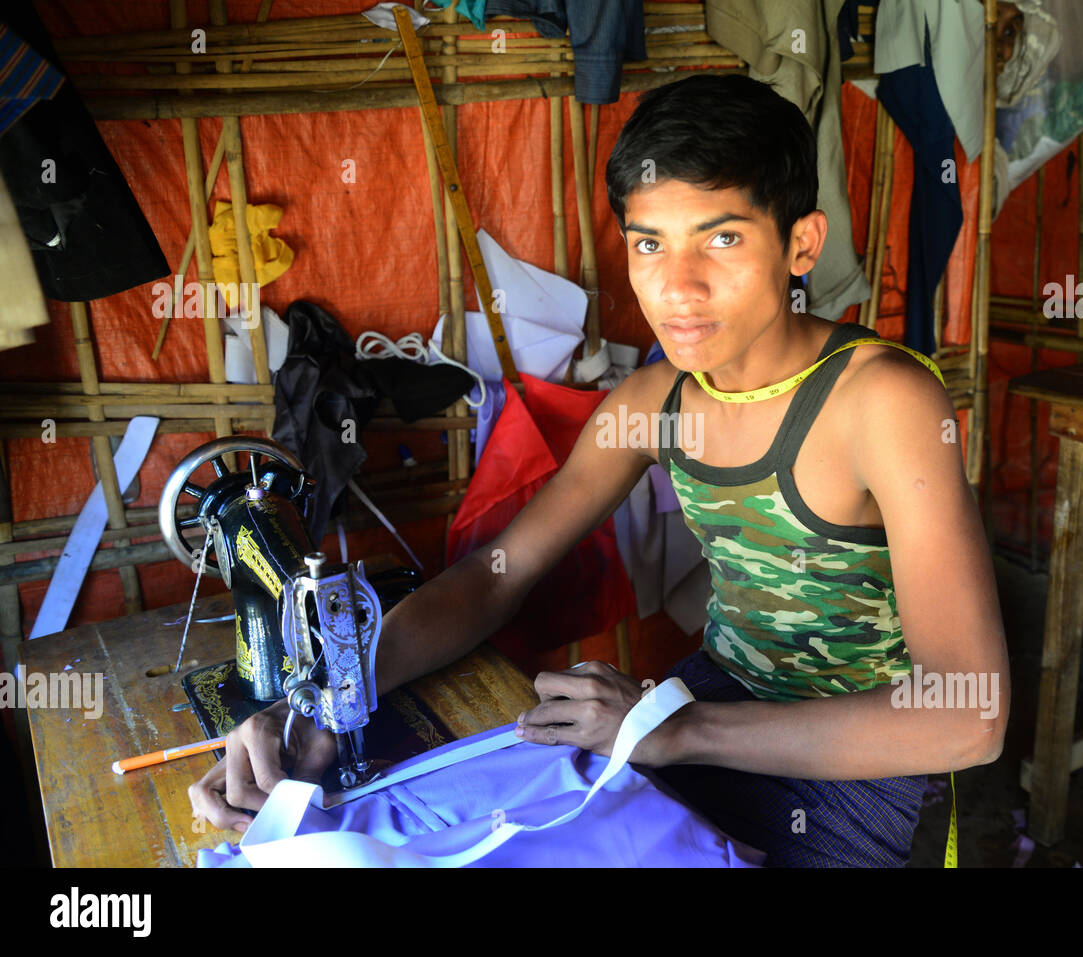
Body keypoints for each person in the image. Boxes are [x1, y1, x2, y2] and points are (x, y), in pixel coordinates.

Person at [189, 72, 1009, 867]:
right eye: (649, 243)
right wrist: (323, 701)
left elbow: (969, 715)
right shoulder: (651, 402)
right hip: (704, 708)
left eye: (722, 238)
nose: (677, 286)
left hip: (856, 761)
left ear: (801, 244)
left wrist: (678, 730)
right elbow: (497, 575)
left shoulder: (884, 400)